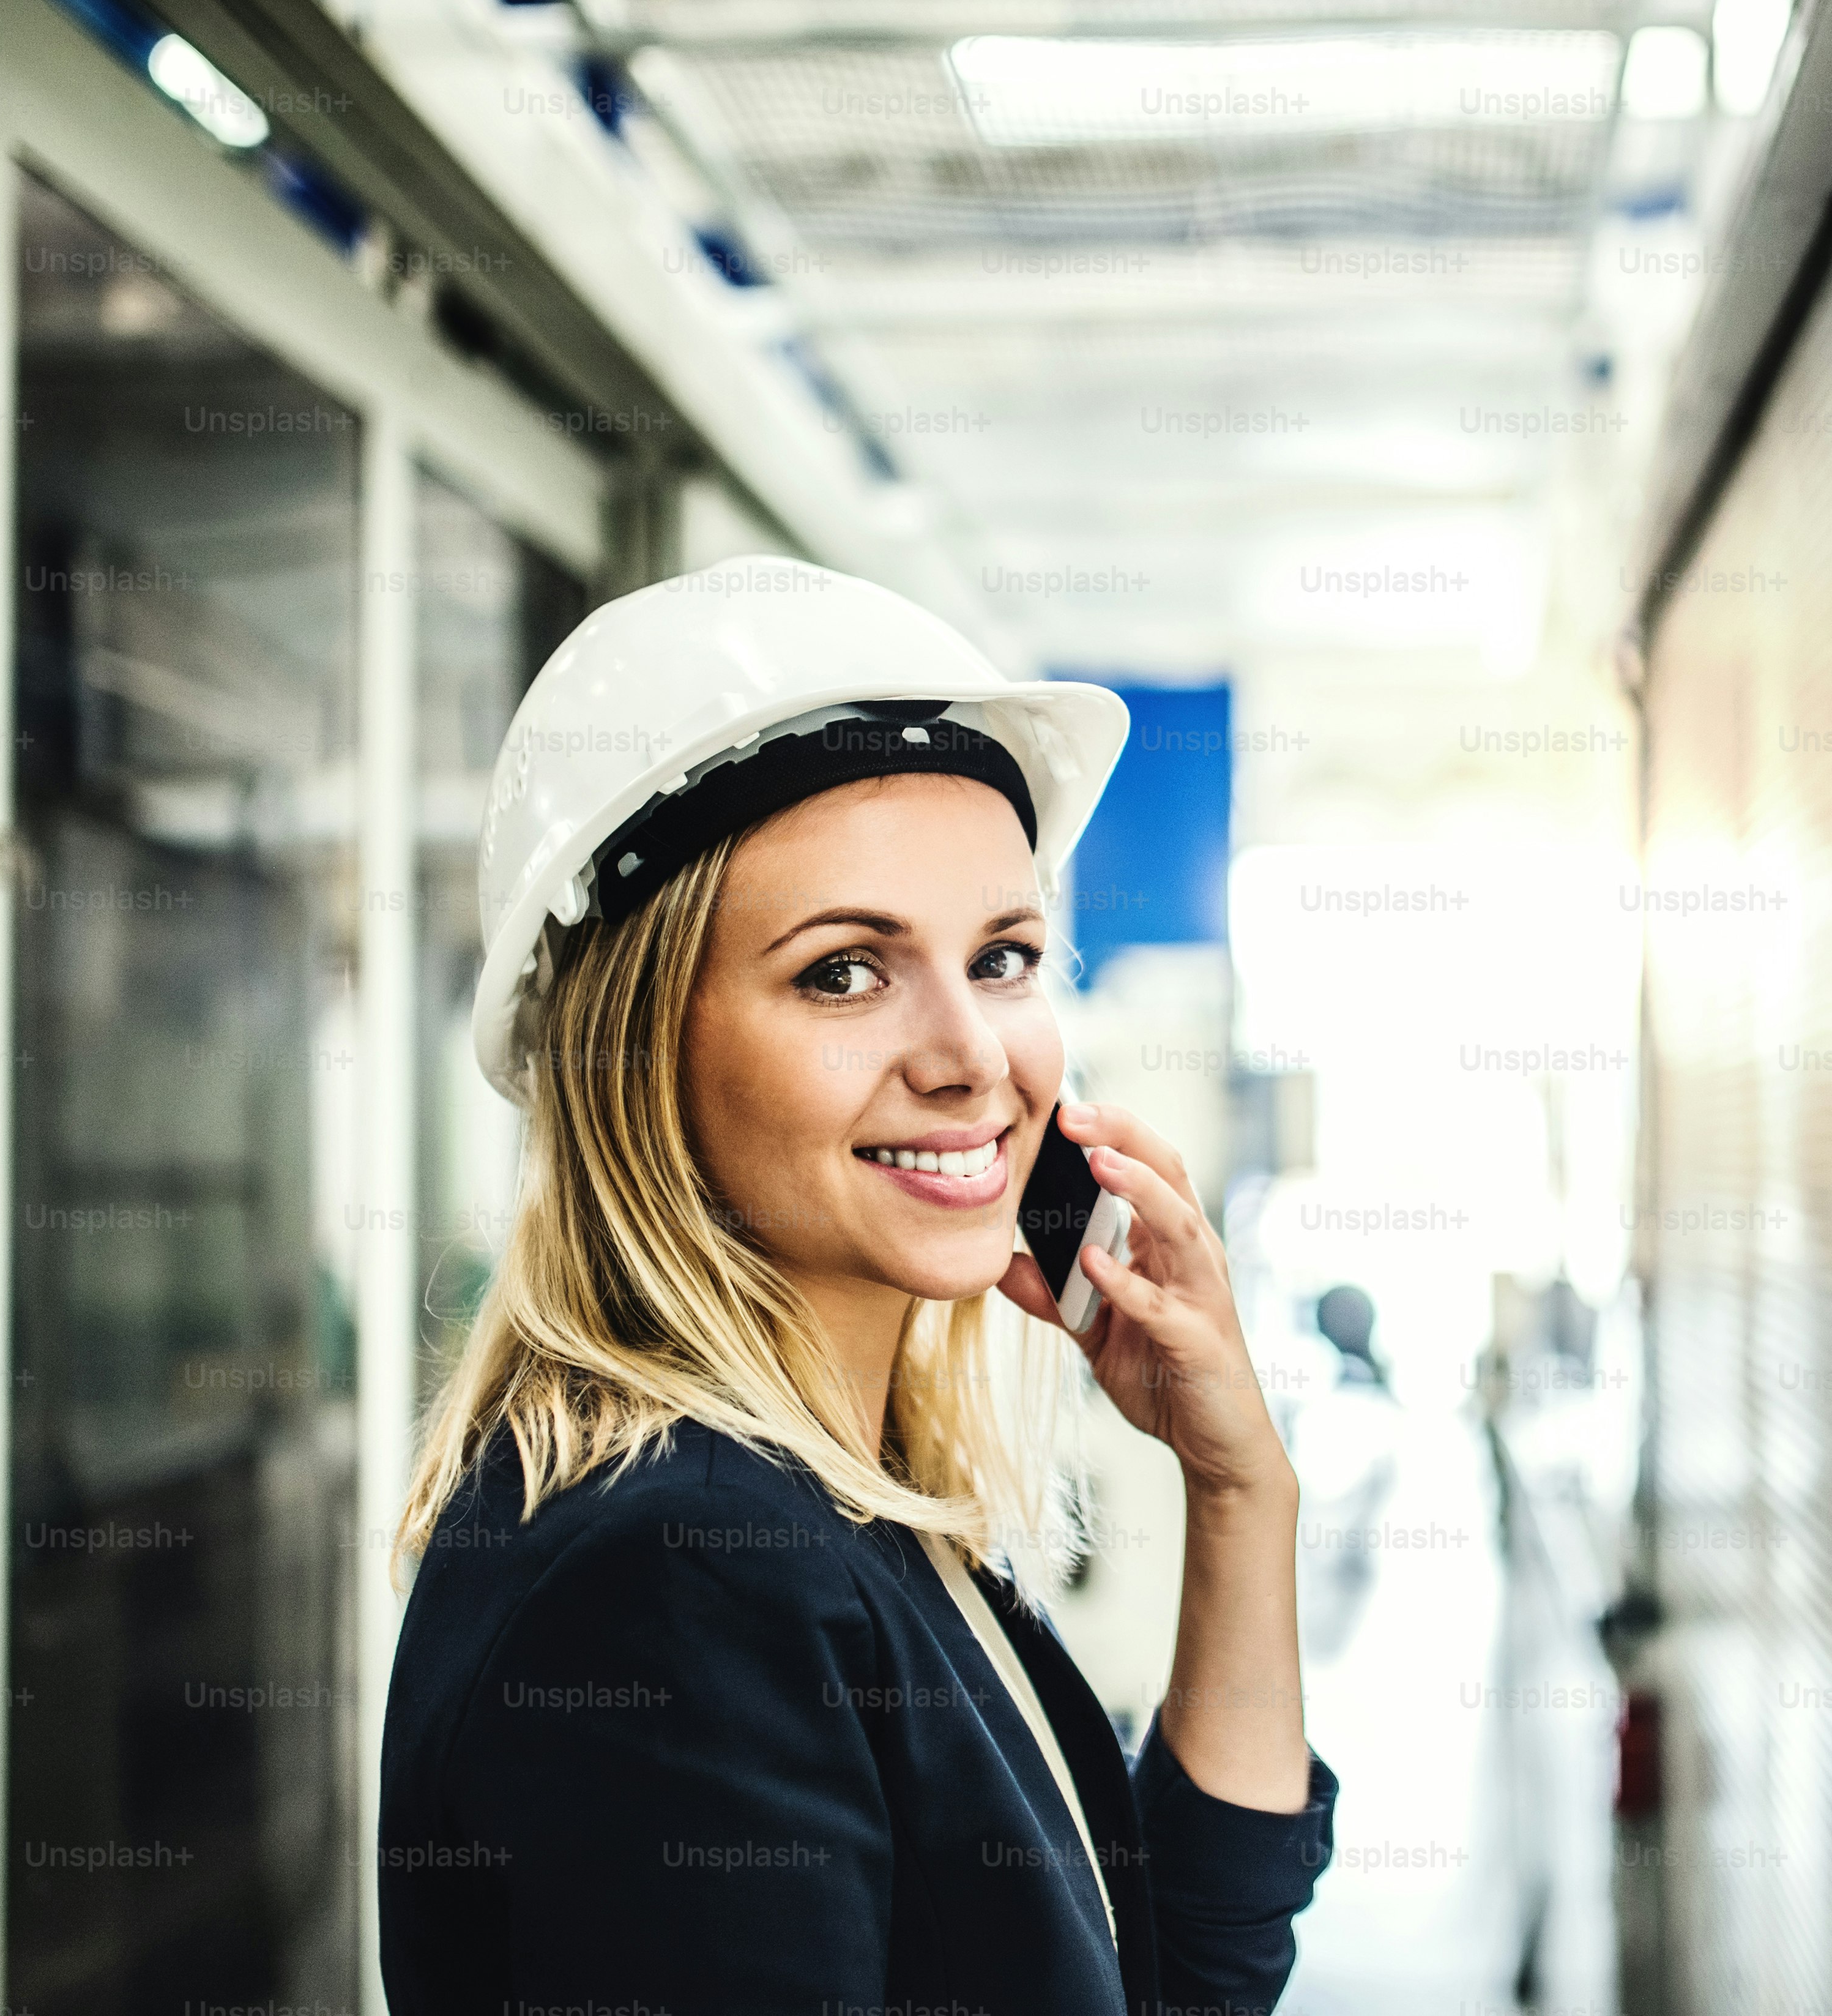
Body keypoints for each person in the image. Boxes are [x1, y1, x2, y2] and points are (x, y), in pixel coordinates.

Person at [377, 558, 1336, 2016]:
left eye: (1004, 956)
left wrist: (1239, 1491)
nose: (971, 1055)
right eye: (844, 972)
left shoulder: (832, 1509)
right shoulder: (682, 1580)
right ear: (633, 1053)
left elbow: (1179, 1979)